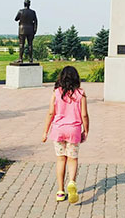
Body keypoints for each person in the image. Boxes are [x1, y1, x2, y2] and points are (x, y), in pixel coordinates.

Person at [40, 66, 88, 204]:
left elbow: (50, 113)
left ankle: (60, 191)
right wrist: (86, 130)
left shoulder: (56, 93)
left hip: (58, 130)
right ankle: (71, 182)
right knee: (72, 159)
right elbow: (84, 114)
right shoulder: (81, 93)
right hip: (73, 130)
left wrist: (45, 131)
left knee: (61, 159)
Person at [14, 0, 38, 64]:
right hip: (30, 29)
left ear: (24, 4)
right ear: (29, 4)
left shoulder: (21, 11)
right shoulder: (33, 12)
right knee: (30, 45)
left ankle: (20, 59)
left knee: (21, 44)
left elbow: (16, 19)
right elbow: (36, 21)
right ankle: (30, 59)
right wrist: (35, 30)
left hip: (22, 29)